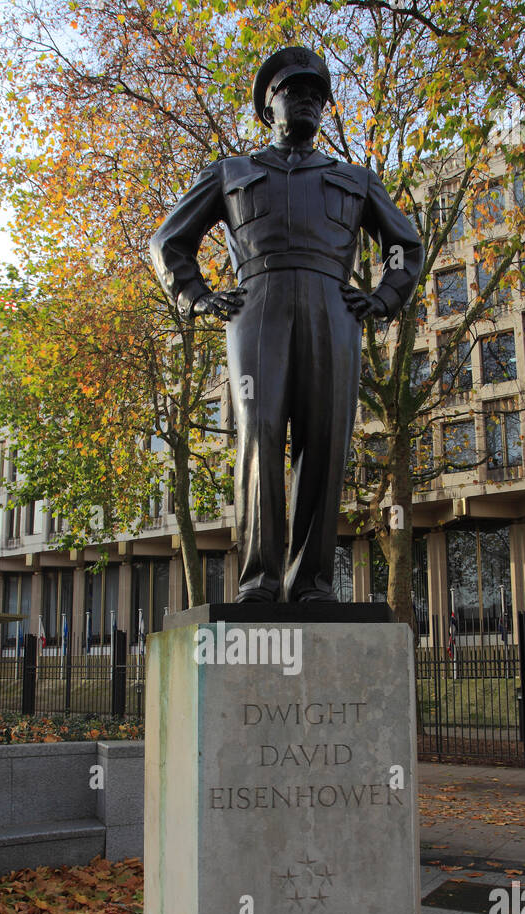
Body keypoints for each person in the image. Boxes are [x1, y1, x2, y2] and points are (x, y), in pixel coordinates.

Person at [150, 46, 424, 603]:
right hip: (257, 307)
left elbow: (403, 242)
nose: (308, 102)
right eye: (295, 92)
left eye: (317, 95)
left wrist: (384, 297)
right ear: (268, 103)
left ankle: (314, 583)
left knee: (325, 441)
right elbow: (168, 241)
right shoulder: (232, 173)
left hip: (334, 310)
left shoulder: (356, 178)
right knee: (259, 433)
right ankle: (259, 580)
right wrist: (197, 295)